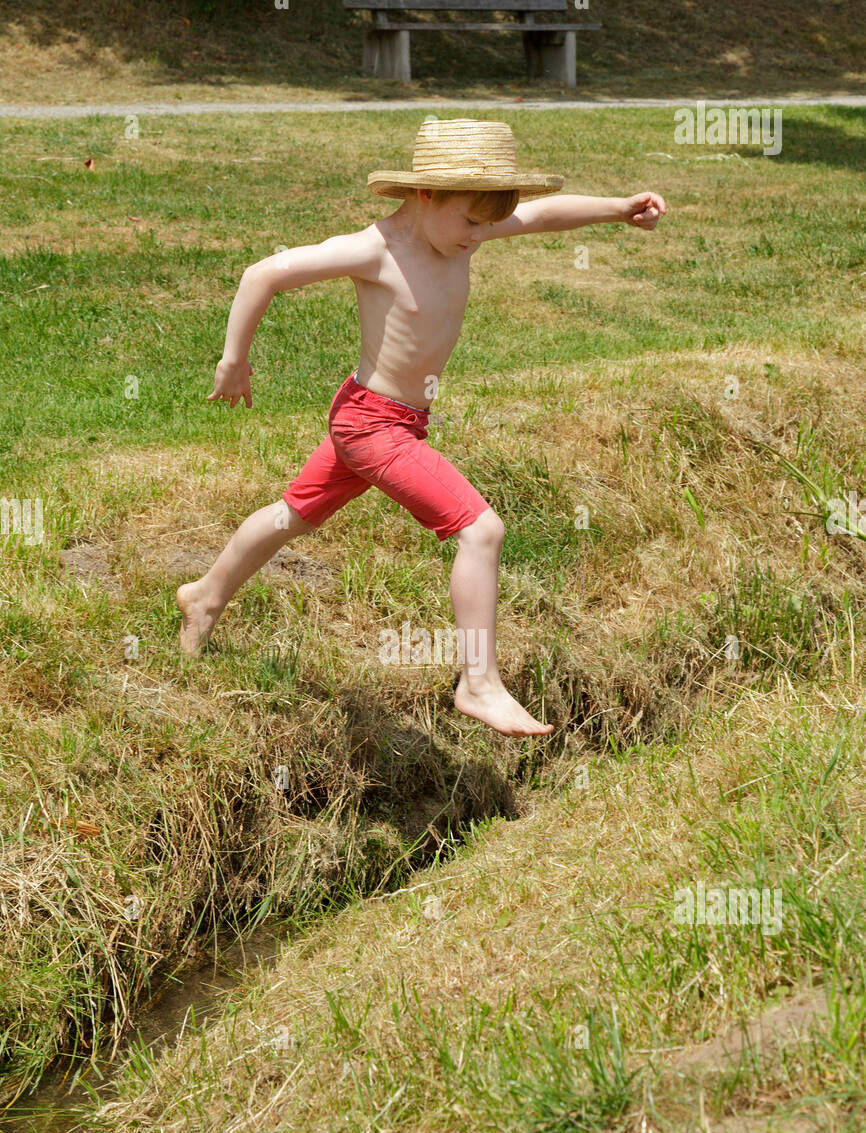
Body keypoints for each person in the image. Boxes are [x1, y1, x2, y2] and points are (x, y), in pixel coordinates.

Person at [178, 118, 665, 736]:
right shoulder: (375, 250)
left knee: (291, 514)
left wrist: (619, 209)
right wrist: (234, 363)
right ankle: (479, 682)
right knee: (482, 530)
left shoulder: (462, 229)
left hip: (394, 422)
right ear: (427, 194)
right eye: (470, 220)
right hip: (371, 424)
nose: (478, 236)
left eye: (487, 224)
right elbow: (262, 274)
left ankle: (204, 596)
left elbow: (542, 215)